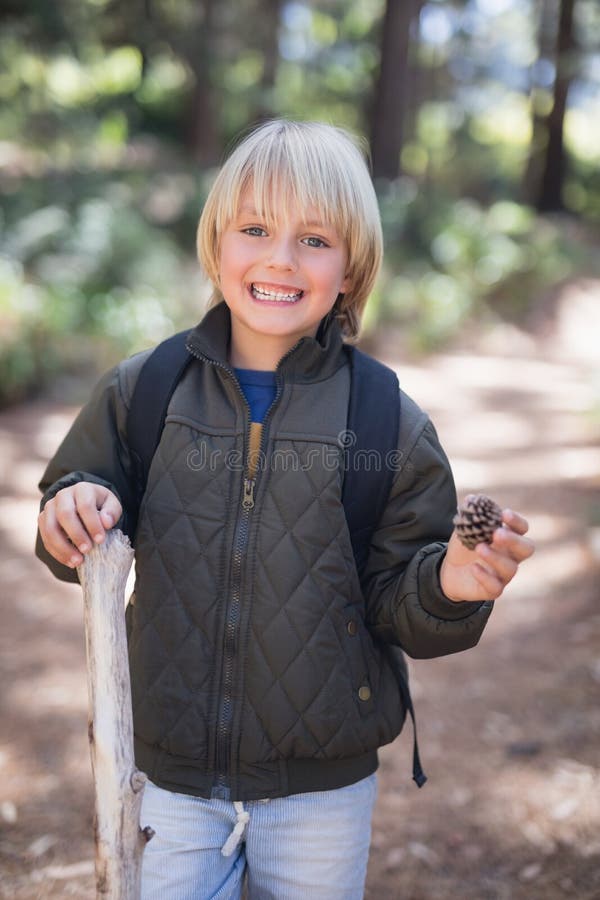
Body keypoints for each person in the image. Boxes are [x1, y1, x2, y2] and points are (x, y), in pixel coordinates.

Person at [36, 119, 534, 900]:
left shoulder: (386, 422)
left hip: (320, 795)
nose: (278, 258)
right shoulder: (146, 390)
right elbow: (73, 496)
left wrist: (455, 585)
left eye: (314, 239)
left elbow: (403, 596)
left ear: (352, 266)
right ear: (217, 245)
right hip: (168, 778)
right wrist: (70, 510)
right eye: (256, 229)